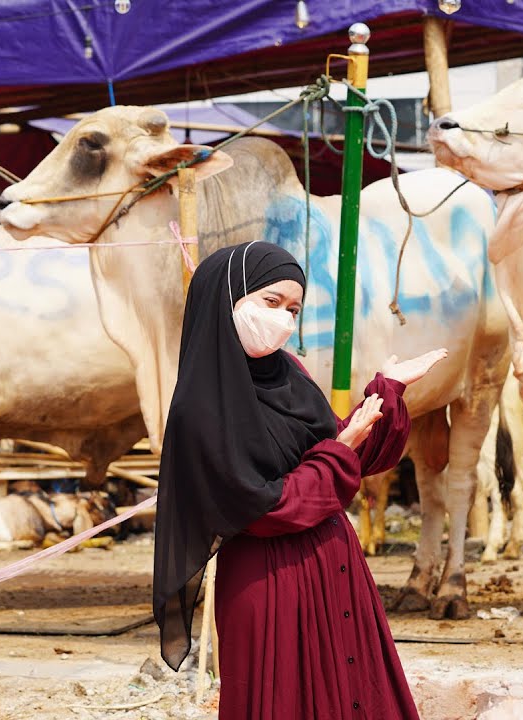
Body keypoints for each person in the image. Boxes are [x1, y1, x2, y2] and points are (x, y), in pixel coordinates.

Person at [152, 240, 446, 719]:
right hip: (269, 583)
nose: (284, 320)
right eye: (271, 303)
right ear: (228, 299)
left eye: (294, 309)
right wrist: (341, 448)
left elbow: (340, 450)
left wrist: (386, 392)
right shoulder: (198, 410)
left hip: (334, 568)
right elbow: (266, 507)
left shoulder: (287, 376)